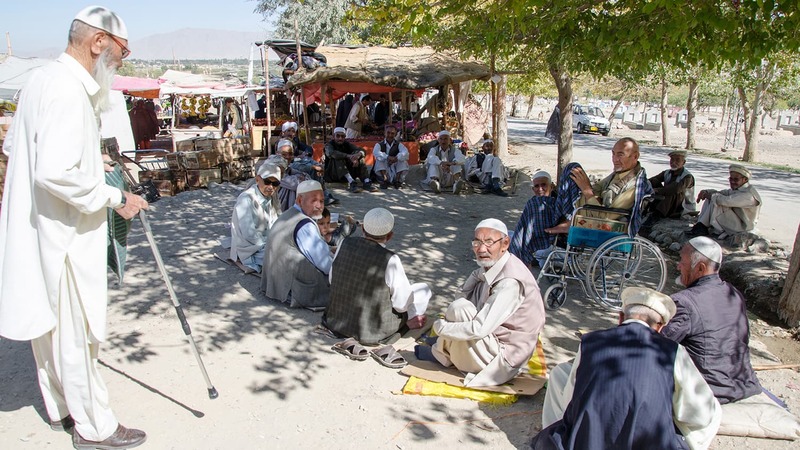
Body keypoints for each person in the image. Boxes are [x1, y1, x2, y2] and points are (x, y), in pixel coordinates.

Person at [0, 6, 149, 449]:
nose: (121, 60)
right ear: (98, 42)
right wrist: (116, 198)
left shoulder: (42, 80)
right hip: (64, 234)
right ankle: (95, 426)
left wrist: (90, 159)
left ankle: (62, 408)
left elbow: (17, 147)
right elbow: (56, 172)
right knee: (75, 335)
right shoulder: (67, 89)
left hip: (41, 229)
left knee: (51, 331)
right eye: (122, 51)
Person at [533, 287, 721, 450]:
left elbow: (571, 399)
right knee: (714, 410)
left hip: (589, 441)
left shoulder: (590, 341)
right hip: (650, 442)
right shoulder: (673, 350)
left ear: (621, 317)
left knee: (560, 375)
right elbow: (699, 413)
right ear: (660, 327)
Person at [420, 219, 546, 387]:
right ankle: (446, 347)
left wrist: (440, 327)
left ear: (505, 244)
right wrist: (475, 276)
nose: (481, 249)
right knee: (461, 306)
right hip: (493, 340)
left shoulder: (509, 283)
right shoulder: (500, 262)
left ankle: (444, 351)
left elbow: (479, 329)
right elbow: (463, 293)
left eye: (489, 242)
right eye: (477, 242)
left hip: (503, 358)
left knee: (459, 310)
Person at [662, 237, 762, 404]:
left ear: (700, 268)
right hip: (743, 384)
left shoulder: (685, 302)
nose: (678, 266)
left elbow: (658, 345)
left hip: (709, 391)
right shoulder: (734, 294)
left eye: (682, 261)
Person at [323, 208, 431, 345]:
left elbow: (332, 280)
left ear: (363, 229)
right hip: (371, 329)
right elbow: (401, 305)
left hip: (337, 319)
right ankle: (410, 322)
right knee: (424, 289)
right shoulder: (390, 259)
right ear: (390, 236)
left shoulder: (344, 243)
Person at [261, 180, 331, 309]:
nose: (319, 206)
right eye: (314, 201)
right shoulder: (305, 225)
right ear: (299, 200)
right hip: (294, 290)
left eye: (321, 201)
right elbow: (325, 265)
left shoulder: (288, 214)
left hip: (275, 285)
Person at [229, 164, 282, 273]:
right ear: (257, 180)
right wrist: (271, 243)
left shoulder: (272, 196)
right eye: (267, 182)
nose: (271, 187)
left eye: (275, 184)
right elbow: (249, 234)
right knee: (282, 259)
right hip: (251, 248)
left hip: (267, 242)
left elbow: (278, 220)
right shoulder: (246, 199)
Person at [688, 164, 762, 239]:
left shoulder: (749, 195)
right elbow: (722, 193)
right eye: (731, 179)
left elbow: (726, 201)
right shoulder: (738, 188)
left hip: (742, 227)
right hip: (735, 222)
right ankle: (701, 225)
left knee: (717, 200)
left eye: (736, 179)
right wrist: (706, 192)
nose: (732, 182)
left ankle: (702, 226)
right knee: (712, 197)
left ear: (745, 179)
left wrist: (710, 195)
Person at [508, 171, 563, 268]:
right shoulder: (532, 203)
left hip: (548, 245)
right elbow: (523, 226)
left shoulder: (558, 204)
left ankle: (532, 257)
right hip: (531, 241)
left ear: (551, 186)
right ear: (533, 189)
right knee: (505, 234)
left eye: (544, 185)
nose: (540, 189)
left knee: (543, 255)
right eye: (537, 186)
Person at [324, 127, 375, 192]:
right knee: (338, 157)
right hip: (334, 174)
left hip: (347, 172)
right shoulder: (329, 145)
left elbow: (361, 150)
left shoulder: (346, 144)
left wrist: (357, 156)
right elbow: (332, 153)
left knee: (360, 157)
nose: (340, 138)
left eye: (342, 136)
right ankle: (352, 183)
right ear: (334, 136)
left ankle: (366, 181)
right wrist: (348, 156)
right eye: (338, 136)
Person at [648, 149, 696, 219]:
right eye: (672, 160)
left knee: (673, 191)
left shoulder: (687, 176)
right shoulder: (667, 172)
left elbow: (675, 189)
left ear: (683, 162)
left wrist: (656, 190)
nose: (674, 162)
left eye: (677, 160)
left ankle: (658, 214)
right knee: (653, 181)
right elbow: (652, 180)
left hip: (681, 205)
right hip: (668, 202)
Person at [372, 125, 410, 189]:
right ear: (384, 133)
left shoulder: (399, 144)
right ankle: (384, 180)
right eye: (388, 133)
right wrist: (387, 157)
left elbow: (405, 153)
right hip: (384, 170)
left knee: (402, 160)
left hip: (395, 170)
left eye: (392, 133)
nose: (390, 135)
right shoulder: (379, 145)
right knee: (379, 159)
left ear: (395, 134)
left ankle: (397, 181)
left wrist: (396, 158)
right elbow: (376, 152)